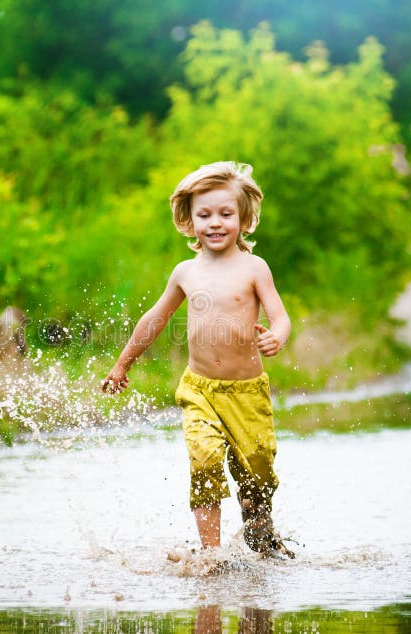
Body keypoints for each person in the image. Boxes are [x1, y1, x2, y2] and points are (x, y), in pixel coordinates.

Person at [102, 161, 293, 558]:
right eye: (204, 215)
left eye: (226, 214)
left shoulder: (255, 268)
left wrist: (277, 336)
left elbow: (280, 315)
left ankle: (258, 524)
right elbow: (154, 320)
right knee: (204, 460)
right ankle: (211, 553)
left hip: (247, 393)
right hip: (200, 389)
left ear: (243, 218)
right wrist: (123, 364)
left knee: (257, 468)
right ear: (189, 221)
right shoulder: (185, 272)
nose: (215, 223)